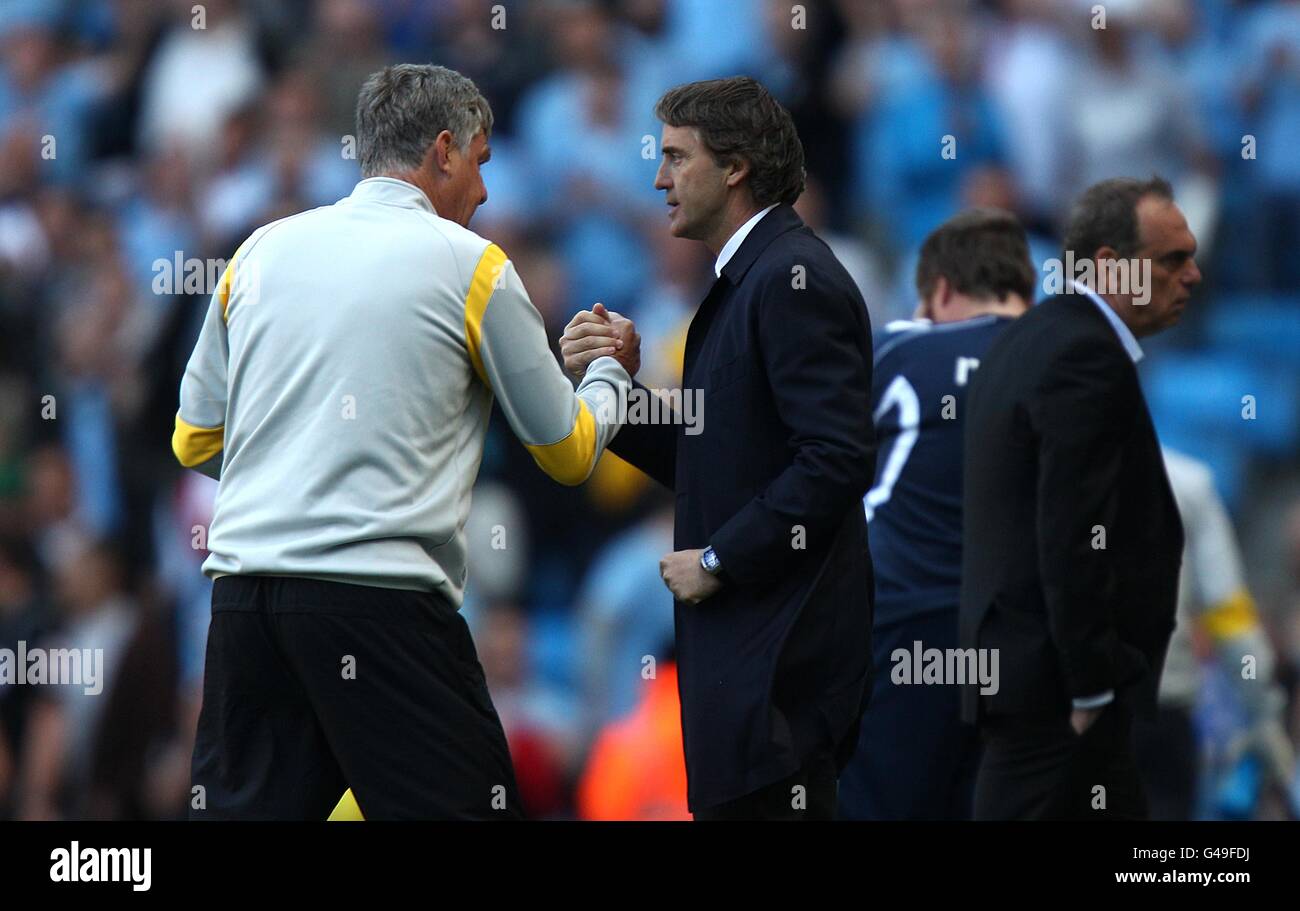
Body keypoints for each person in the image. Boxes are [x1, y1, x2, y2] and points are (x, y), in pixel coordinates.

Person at [173, 64, 637, 820]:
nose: (486, 194)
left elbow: (194, 439)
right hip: (381, 605)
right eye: (482, 165)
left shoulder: (260, 250)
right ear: (444, 151)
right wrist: (609, 372)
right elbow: (568, 450)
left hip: (244, 603)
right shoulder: (472, 264)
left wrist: (296, 460)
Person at [562, 76, 875, 820]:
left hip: (778, 679)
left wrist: (717, 558)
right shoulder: (749, 280)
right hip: (749, 681)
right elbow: (715, 457)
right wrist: (615, 385)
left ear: (734, 167)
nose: (659, 179)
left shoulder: (791, 278)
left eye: (676, 157)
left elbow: (835, 458)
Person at [959, 176, 1198, 819]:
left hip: (1035, 677)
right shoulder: (1082, 355)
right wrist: (1091, 686)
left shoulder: (1035, 336)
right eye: (1173, 260)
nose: (1194, 275)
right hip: (1058, 692)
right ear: (1112, 269)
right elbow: (1071, 531)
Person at [837, 209, 1035, 820]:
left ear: (941, 291)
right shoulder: (1078, 360)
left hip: (906, 629)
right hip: (1032, 642)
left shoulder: (899, 346)